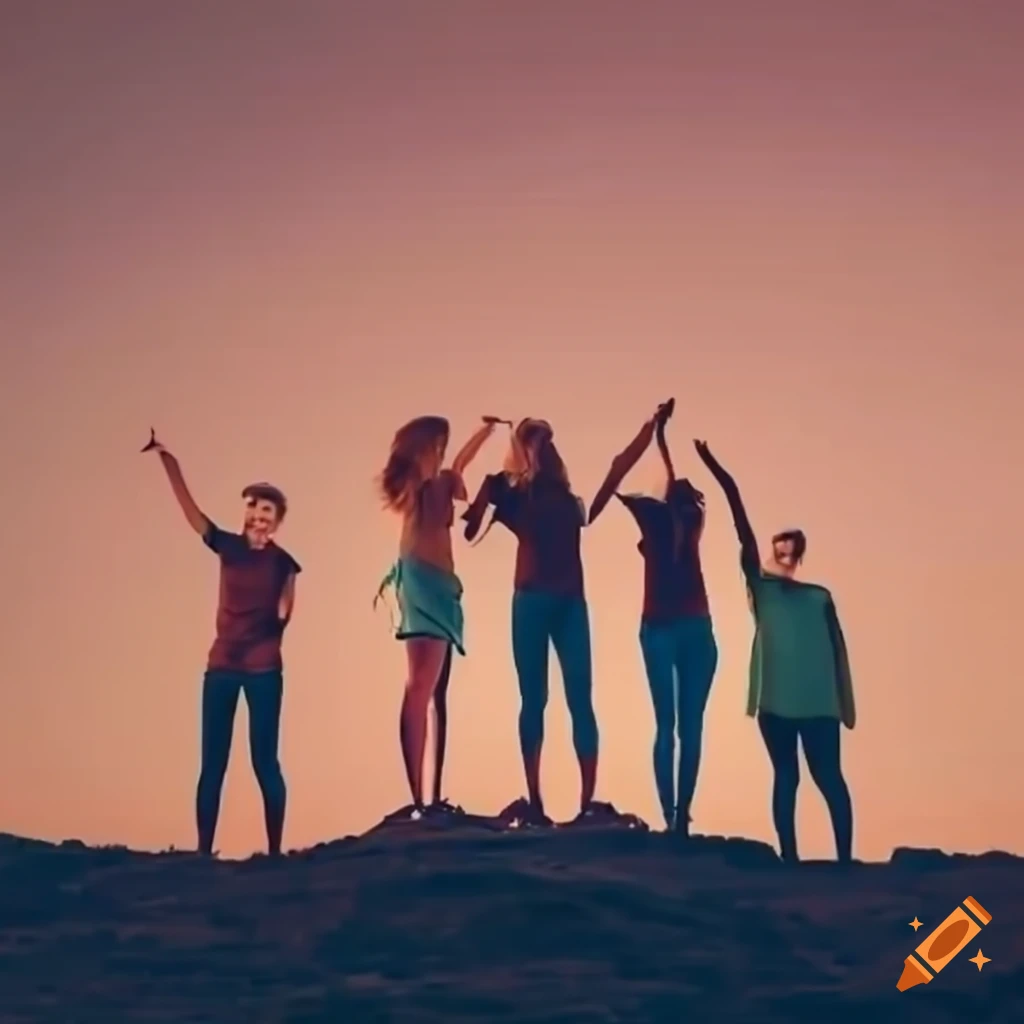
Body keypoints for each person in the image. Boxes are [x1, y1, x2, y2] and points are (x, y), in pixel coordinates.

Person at [693, 439, 856, 863]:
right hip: (777, 701)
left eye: (791, 550)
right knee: (787, 776)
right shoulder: (760, 589)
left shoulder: (819, 595)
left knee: (828, 777)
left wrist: (846, 704)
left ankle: (843, 859)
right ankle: (790, 857)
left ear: (798, 556)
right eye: (779, 548)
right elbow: (740, 523)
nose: (785, 554)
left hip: (820, 701)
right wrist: (716, 467)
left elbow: (838, 650)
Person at [145, 432, 301, 857]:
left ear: (277, 520)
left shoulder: (284, 562)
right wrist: (167, 459)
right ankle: (203, 851)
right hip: (222, 667)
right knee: (212, 764)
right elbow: (191, 511)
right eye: (251, 507)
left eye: (265, 510)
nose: (256, 516)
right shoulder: (227, 546)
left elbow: (288, 606)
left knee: (264, 762)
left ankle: (273, 851)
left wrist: (281, 616)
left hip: (264, 670)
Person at [463, 418, 602, 827]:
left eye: (543, 437)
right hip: (530, 600)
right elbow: (470, 532)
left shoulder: (565, 496)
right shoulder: (510, 491)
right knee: (534, 698)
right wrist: (488, 492)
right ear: (519, 444)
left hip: (570, 602)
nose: (538, 444)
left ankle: (587, 803)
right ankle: (535, 798)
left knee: (581, 697)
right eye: (530, 437)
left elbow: (589, 505)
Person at [589, 399, 718, 835]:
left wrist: (654, 432)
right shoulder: (685, 514)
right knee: (684, 727)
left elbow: (632, 480)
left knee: (672, 725)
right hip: (686, 627)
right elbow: (665, 478)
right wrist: (657, 433)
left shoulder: (668, 514)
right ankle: (677, 817)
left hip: (673, 627)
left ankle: (674, 817)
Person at [375, 415, 498, 818]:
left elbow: (461, 464)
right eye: (437, 445)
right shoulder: (414, 484)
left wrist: (486, 432)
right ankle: (416, 798)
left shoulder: (445, 480)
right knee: (420, 686)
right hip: (421, 581)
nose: (442, 452)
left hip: (445, 586)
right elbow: (411, 476)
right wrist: (418, 455)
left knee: (437, 693)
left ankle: (433, 794)